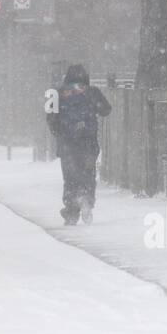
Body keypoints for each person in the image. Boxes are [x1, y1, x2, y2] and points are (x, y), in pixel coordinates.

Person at [47, 63, 112, 225]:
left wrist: (60, 134)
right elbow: (106, 110)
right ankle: (87, 200)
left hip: (67, 144)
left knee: (70, 178)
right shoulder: (91, 92)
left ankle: (71, 211)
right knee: (88, 174)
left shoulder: (56, 94)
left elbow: (51, 119)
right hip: (88, 142)